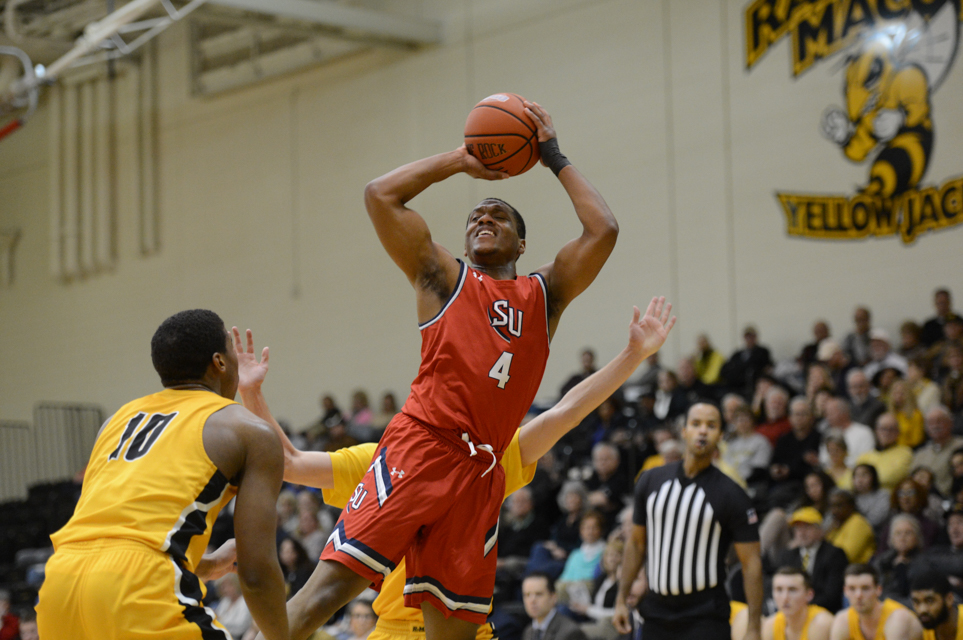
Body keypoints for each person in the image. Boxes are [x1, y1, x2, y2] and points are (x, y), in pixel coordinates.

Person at [270, 100, 621, 640]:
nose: (484, 219)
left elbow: (603, 231)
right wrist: (461, 159)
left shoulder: (543, 295)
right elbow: (380, 195)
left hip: (480, 474)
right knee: (324, 596)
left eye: (498, 215)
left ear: (521, 243)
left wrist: (551, 156)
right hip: (423, 445)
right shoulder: (441, 277)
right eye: (475, 216)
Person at [234, 298, 675, 640]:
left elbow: (564, 413)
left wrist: (632, 357)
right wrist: (252, 393)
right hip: (392, 630)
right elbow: (289, 462)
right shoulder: (377, 460)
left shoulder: (491, 456)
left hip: (467, 629)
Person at [35, 309, 289, 640]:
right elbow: (255, 573)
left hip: (60, 587)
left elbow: (116, 536)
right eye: (229, 346)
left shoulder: (115, 422)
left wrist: (207, 565)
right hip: (142, 591)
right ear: (220, 362)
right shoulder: (248, 430)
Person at [613, 402, 764, 640]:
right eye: (696, 424)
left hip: (705, 616)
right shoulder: (650, 480)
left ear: (720, 435)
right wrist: (621, 599)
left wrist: (754, 627)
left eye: (711, 426)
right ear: (683, 431)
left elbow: (752, 565)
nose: (703, 431)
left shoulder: (732, 494)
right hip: (655, 612)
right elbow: (636, 544)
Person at [771, 507, 848, 613]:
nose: (801, 533)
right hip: (791, 611)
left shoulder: (835, 554)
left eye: (807, 527)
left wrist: (802, 607)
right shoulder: (787, 555)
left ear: (820, 531)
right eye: (797, 528)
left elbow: (832, 595)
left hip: (824, 613)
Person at [829, 564, 922, 640]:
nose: (858, 595)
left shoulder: (897, 618)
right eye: (852, 589)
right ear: (845, 591)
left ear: (878, 590)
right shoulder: (842, 620)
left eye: (865, 588)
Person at [763, 567, 833, 640]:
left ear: (809, 595)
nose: (785, 598)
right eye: (779, 590)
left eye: (792, 590)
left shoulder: (821, 624)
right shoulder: (771, 625)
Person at [855, 413, 913, 492]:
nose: (886, 433)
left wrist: (865, 479)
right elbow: (854, 480)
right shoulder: (864, 456)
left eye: (891, 429)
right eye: (883, 428)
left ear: (898, 432)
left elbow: (888, 477)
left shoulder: (905, 453)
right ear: (876, 431)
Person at [522, 573, 588, 640]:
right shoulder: (528, 631)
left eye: (539, 594)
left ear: (553, 597)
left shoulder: (571, 632)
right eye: (527, 595)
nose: (532, 601)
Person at [826, 490, 877, 564]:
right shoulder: (837, 524)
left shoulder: (858, 523)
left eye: (839, 506)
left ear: (851, 506)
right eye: (832, 506)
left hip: (858, 571)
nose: (834, 511)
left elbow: (846, 557)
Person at [910, 571, 963, 640]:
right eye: (916, 602)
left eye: (930, 601)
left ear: (949, 599)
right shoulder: (923, 631)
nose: (922, 610)